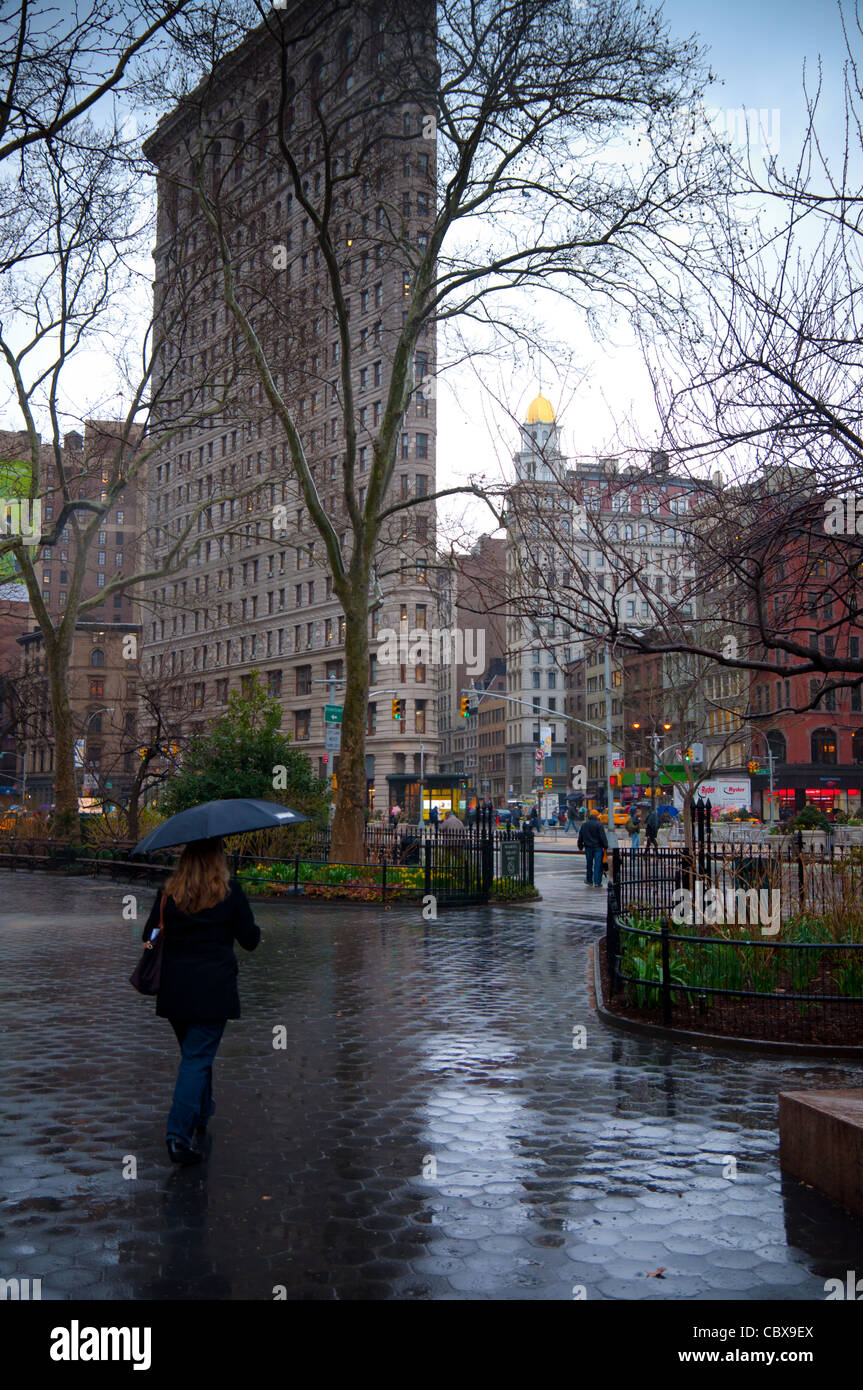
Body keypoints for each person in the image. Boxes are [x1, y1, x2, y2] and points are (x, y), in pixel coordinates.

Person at [142, 837, 260, 1166]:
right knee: (196, 1059)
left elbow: (148, 938)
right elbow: (249, 940)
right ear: (218, 859)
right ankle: (177, 1135)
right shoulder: (229, 892)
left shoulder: (169, 895)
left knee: (195, 1055)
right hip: (213, 991)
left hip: (175, 991)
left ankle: (202, 1112)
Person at [577, 811, 608, 887]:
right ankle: (597, 882)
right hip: (598, 847)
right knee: (598, 865)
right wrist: (605, 846)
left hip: (588, 847)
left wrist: (580, 846)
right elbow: (602, 836)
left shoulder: (584, 825)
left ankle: (589, 880)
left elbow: (580, 837)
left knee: (589, 864)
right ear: (596, 816)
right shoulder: (599, 825)